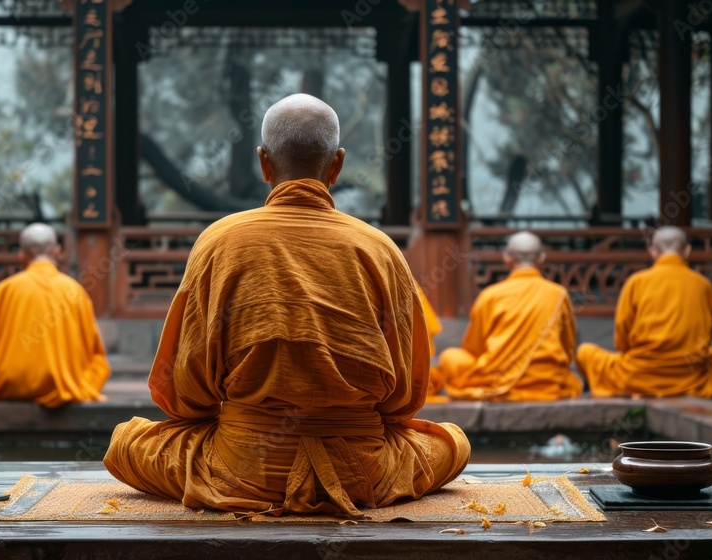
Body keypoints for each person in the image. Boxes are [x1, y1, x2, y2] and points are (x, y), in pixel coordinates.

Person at [104, 94, 470, 517]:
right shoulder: (380, 249)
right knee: (452, 443)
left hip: (242, 467)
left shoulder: (219, 242)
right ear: (337, 165)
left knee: (126, 444)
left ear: (264, 163)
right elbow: (404, 400)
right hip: (362, 469)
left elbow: (185, 392)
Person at [0, 223, 110, 407]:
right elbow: (94, 352)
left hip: (9, 386)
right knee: (101, 366)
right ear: (57, 251)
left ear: (22, 254)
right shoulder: (76, 291)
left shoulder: (3, 290)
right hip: (65, 384)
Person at [431, 231, 582, 401]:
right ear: (542, 258)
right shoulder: (559, 294)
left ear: (507, 259)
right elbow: (567, 346)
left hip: (495, 378)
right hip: (546, 380)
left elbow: (474, 348)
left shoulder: (491, 295)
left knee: (450, 357)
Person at [576, 226, 712, 398]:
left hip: (639, 374)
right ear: (687, 251)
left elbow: (621, 339)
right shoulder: (703, 285)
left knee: (585, 353)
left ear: (653, 252)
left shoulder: (637, 282)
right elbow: (711, 332)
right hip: (688, 375)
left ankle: (619, 388)